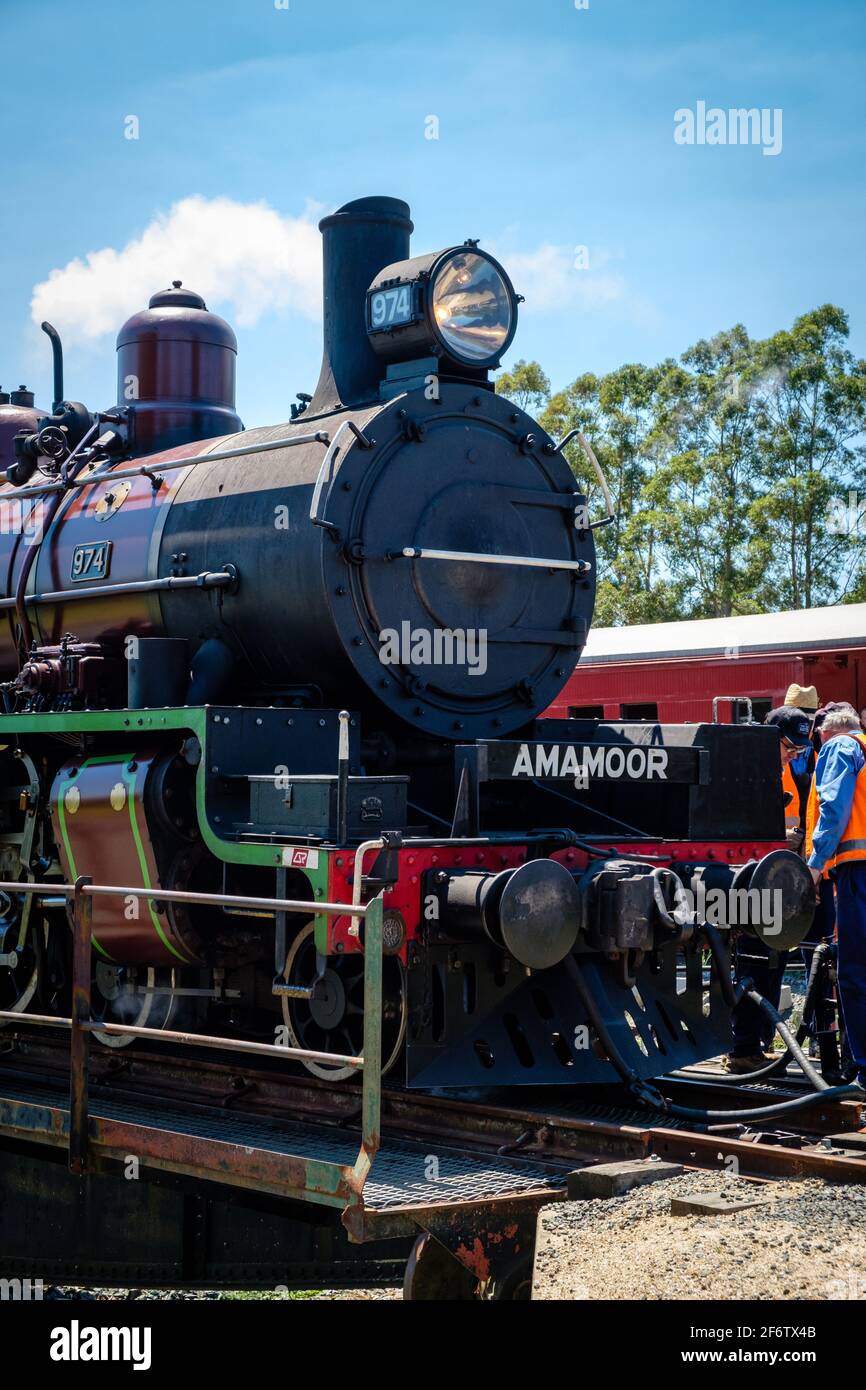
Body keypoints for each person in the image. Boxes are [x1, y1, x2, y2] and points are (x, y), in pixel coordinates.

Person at [725, 706, 814, 1073]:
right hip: (752, 884)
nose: (792, 756)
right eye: (788, 748)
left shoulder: (773, 773)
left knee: (769, 963)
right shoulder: (747, 775)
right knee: (753, 962)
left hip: (772, 880)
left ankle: (755, 1044)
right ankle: (743, 1046)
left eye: (797, 752)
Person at [807, 707, 866, 1094]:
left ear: (825, 734)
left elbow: (833, 807)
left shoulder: (839, 746)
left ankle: (865, 1072)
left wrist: (813, 866)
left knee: (857, 973)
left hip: (858, 873)